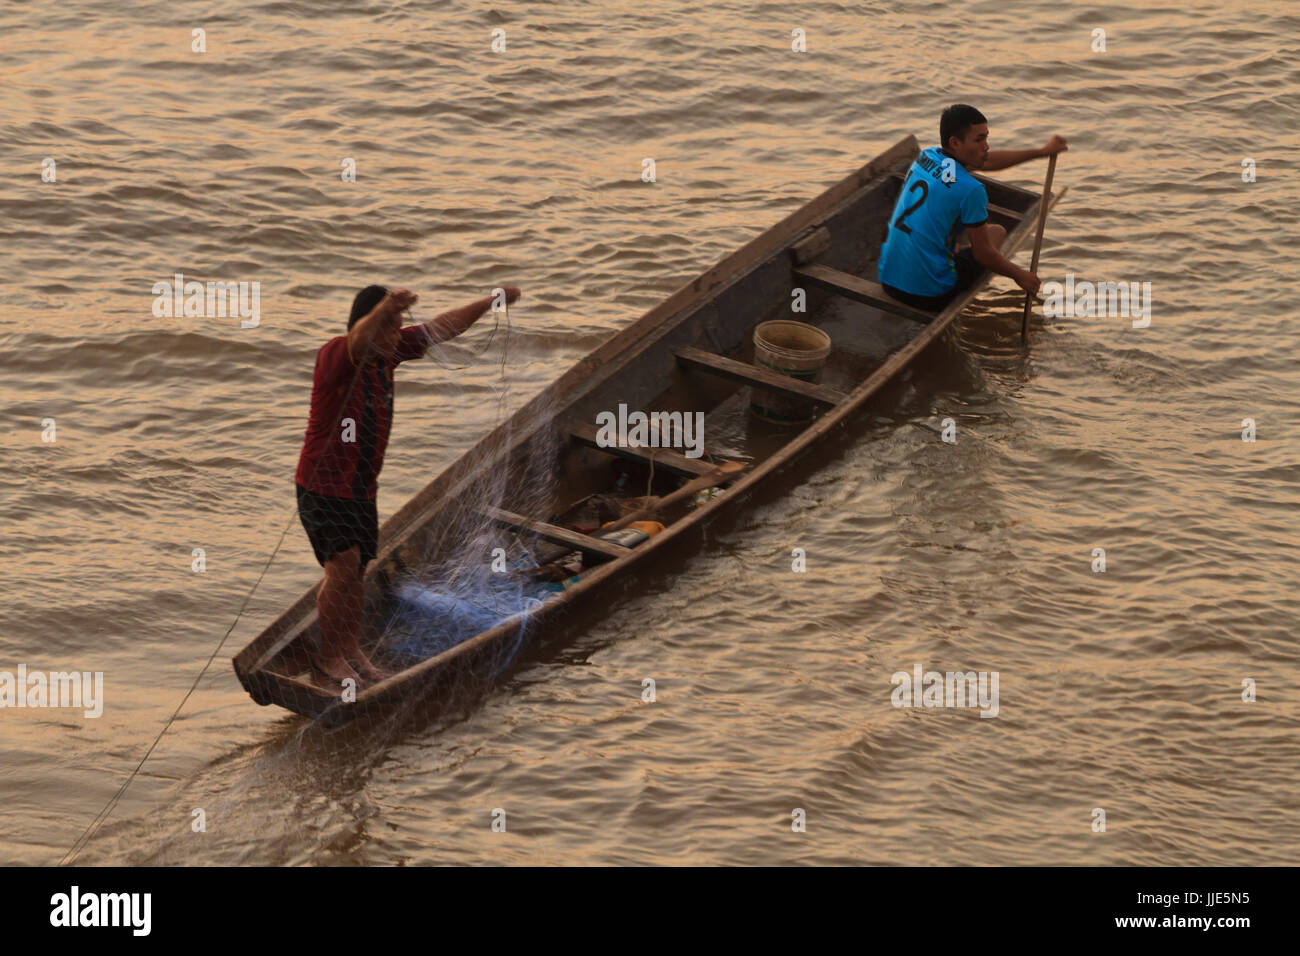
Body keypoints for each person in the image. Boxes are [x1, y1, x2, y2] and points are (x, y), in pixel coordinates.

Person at [294, 283, 522, 687]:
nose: (393, 336)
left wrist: (490, 301)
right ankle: (327, 659)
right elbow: (362, 334)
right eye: (387, 327)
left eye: (397, 327)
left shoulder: (390, 353)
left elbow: (442, 328)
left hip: (361, 489)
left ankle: (350, 650)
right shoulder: (338, 354)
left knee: (357, 571)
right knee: (341, 568)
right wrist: (385, 308)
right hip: (323, 487)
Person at [878, 104, 1067, 312]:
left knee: (959, 224)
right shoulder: (971, 190)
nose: (986, 146)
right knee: (996, 232)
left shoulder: (926, 156)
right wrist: (1020, 275)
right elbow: (984, 254)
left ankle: (955, 246)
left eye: (986, 137)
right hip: (929, 294)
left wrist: (1041, 152)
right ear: (955, 143)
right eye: (979, 140)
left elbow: (987, 161)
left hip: (888, 279)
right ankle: (955, 252)